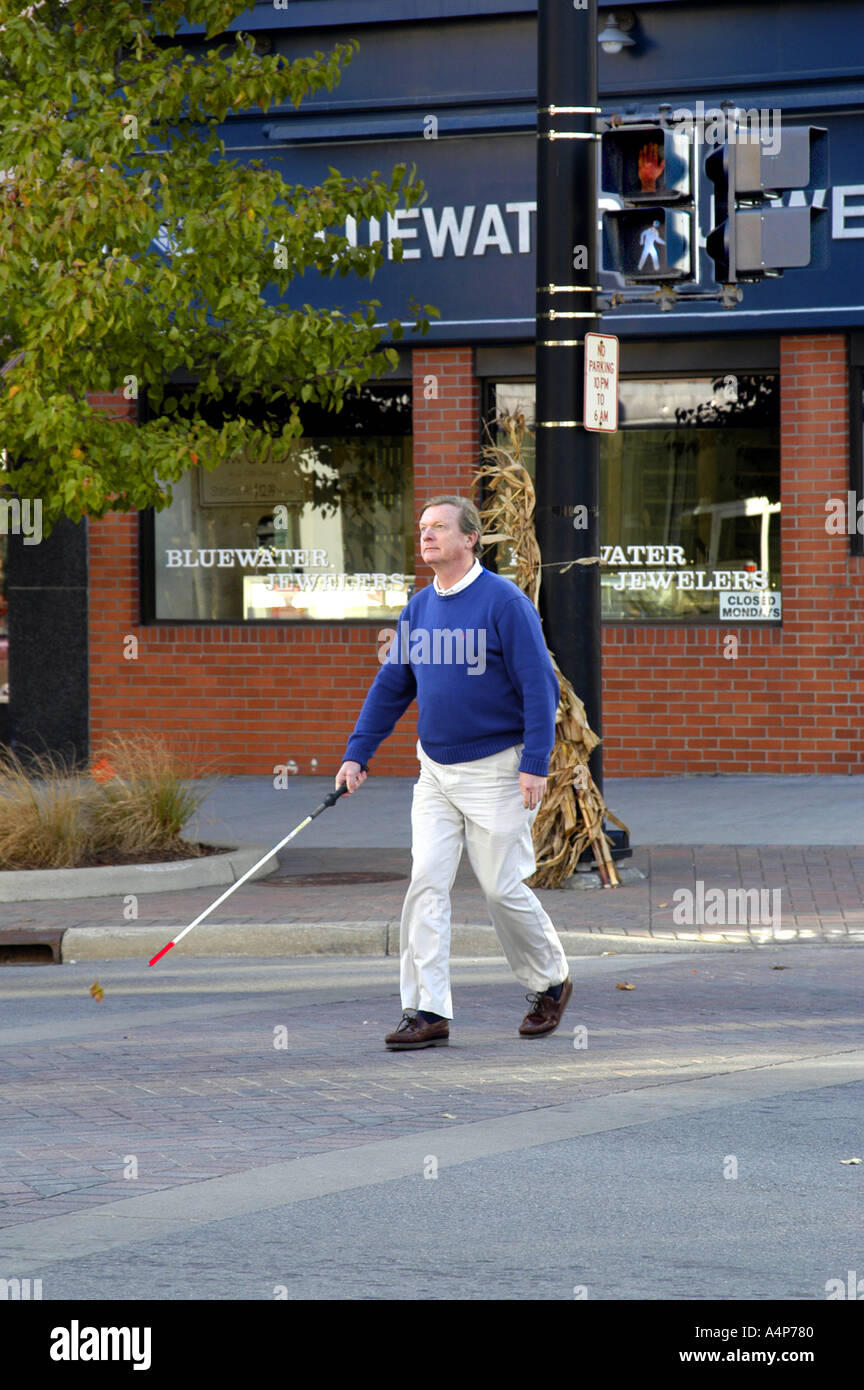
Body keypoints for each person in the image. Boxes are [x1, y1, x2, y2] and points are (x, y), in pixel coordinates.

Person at [335, 495, 572, 1050]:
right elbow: (392, 684)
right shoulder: (418, 609)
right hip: (435, 772)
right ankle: (426, 1010)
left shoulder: (504, 602)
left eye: (440, 527)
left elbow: (540, 686)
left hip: (497, 770)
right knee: (425, 883)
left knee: (500, 888)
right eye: (422, 528)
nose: (427, 535)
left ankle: (551, 982)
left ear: (471, 539)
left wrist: (534, 764)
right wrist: (357, 753)